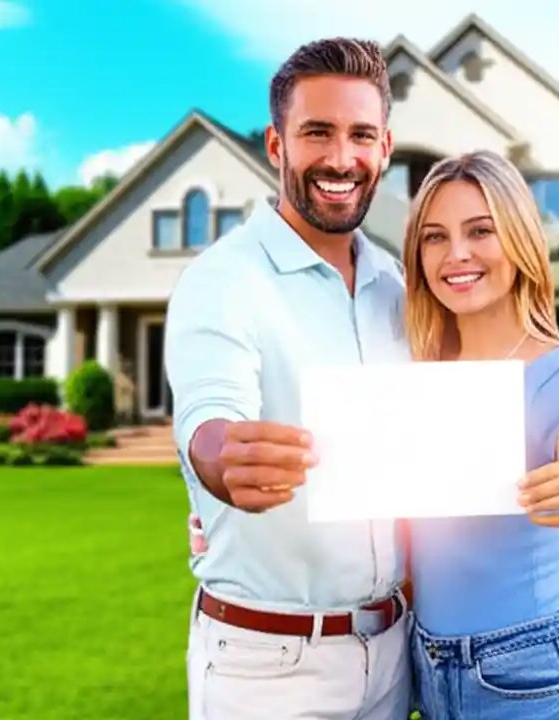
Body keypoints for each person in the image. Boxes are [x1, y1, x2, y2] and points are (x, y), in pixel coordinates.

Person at [164, 37, 414, 720]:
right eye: (317, 133)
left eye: (361, 134)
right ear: (276, 146)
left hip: (395, 652)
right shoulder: (223, 281)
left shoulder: (396, 284)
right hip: (267, 668)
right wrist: (223, 460)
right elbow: (210, 415)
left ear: (385, 148)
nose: (340, 158)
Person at [400, 150, 559, 719]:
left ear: (520, 240)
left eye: (481, 231)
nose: (457, 255)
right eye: (435, 237)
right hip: (426, 670)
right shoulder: (415, 378)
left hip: (533, 676)